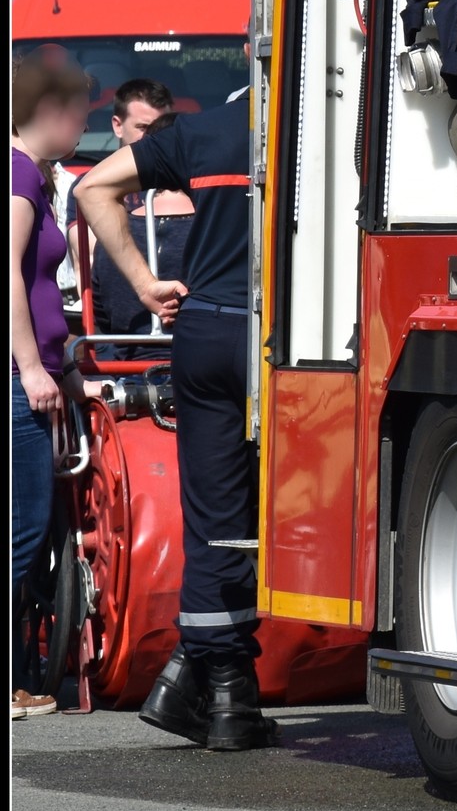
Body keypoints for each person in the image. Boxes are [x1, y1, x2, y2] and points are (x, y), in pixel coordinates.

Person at [75, 93, 275, 751]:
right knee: (272, 517)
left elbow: (92, 187)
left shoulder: (206, 130)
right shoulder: (337, 124)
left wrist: (144, 284)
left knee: (216, 520)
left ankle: (221, 689)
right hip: (290, 338)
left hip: (207, 329)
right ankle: (212, 682)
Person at [11, 57, 91, 720]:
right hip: (17, 380)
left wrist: (60, 365)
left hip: (30, 373)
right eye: (77, 110)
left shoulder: (33, 177)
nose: (84, 123)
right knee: (24, 528)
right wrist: (32, 367)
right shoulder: (17, 174)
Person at [92, 80, 191, 335]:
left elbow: (100, 304)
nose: (152, 142)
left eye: (157, 131)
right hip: (186, 349)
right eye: (142, 128)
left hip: (121, 347)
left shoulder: (110, 222)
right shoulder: (92, 190)